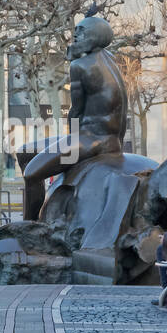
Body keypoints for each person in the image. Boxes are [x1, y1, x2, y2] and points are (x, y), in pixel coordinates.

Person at [17, 13, 127, 221]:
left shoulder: (80, 66)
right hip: (107, 140)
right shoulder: (111, 60)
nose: (75, 35)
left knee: (31, 173)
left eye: (81, 31)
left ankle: (29, 224)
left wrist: (70, 154)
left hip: (92, 141)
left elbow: (76, 111)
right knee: (25, 152)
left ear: (96, 35)